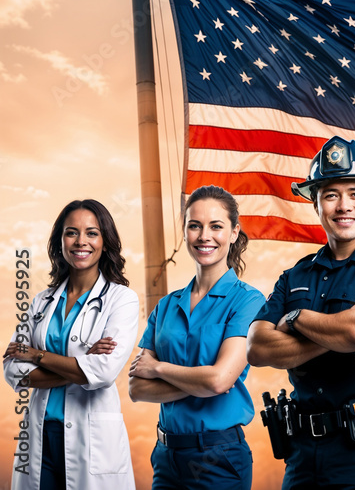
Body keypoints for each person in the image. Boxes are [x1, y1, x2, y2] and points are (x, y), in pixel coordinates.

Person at [247, 136, 355, 489]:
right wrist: (342, 330)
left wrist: (295, 320)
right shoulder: (295, 274)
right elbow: (257, 347)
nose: (343, 206)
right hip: (300, 455)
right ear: (315, 204)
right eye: (330, 195)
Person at [128, 185, 265, 490]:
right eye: (195, 225)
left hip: (217, 456)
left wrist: (159, 369)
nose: (205, 236)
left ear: (233, 233)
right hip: (165, 456)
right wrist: (202, 383)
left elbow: (218, 381)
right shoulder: (166, 306)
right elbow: (137, 388)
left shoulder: (248, 301)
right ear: (186, 231)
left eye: (216, 226)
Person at [3, 199, 139, 490]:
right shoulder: (42, 301)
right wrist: (79, 364)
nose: (81, 241)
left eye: (92, 233)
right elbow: (13, 370)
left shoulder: (121, 299)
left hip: (92, 441)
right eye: (71, 232)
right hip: (40, 439)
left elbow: (101, 373)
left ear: (105, 241)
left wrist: (36, 354)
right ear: (60, 241)